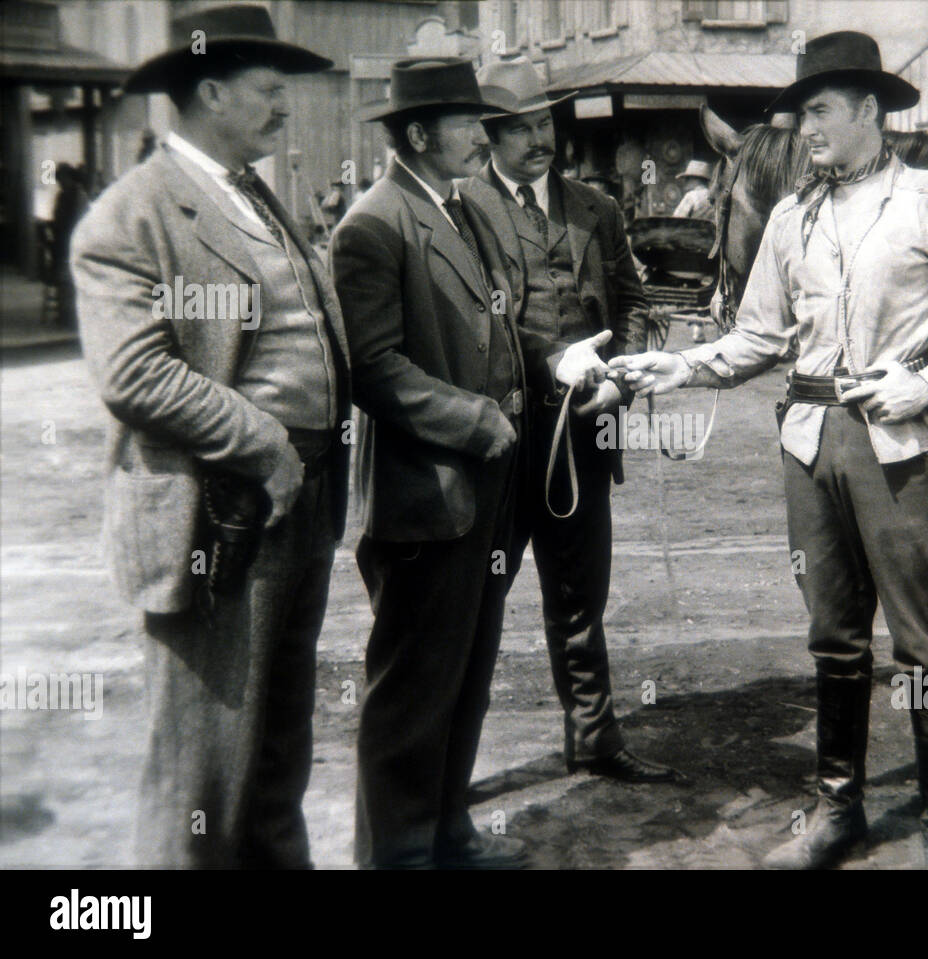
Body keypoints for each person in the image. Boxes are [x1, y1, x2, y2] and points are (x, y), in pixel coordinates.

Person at [612, 30, 928, 869]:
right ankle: (840, 807)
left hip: (898, 445)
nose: (807, 130)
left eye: (823, 111)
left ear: (871, 111)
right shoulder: (793, 217)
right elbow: (756, 337)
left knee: (924, 642)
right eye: (802, 115)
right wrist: (674, 367)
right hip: (809, 444)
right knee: (834, 637)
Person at [71, 4, 349, 867]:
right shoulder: (131, 216)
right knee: (201, 773)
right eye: (270, 92)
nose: (284, 109)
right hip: (217, 520)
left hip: (298, 510)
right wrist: (266, 443)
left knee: (276, 750)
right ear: (212, 89)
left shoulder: (256, 194)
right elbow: (135, 376)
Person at [330, 57, 614, 869]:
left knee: (465, 676)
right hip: (427, 494)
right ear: (420, 134)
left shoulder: (460, 212)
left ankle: (446, 831)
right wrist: (475, 419)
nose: (481, 135)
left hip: (478, 493)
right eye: (467, 122)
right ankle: (398, 851)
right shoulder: (374, 225)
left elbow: (500, 326)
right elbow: (375, 367)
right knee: (412, 688)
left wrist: (555, 361)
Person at [461, 57, 681, 784]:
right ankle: (448, 769)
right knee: (476, 607)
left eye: (544, 124)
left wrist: (623, 381)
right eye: (519, 128)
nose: (537, 140)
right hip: (498, 443)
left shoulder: (597, 207)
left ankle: (594, 736)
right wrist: (549, 357)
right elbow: (468, 326)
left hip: (587, 435)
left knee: (582, 595)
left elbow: (640, 306)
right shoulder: (460, 211)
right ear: (489, 135)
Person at [51, 162, 88, 329]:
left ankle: (71, 316)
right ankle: (65, 313)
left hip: (72, 239)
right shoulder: (64, 195)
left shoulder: (77, 195)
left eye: (62, 178)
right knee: (64, 278)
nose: (60, 182)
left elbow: (80, 219)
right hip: (63, 239)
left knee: (71, 279)